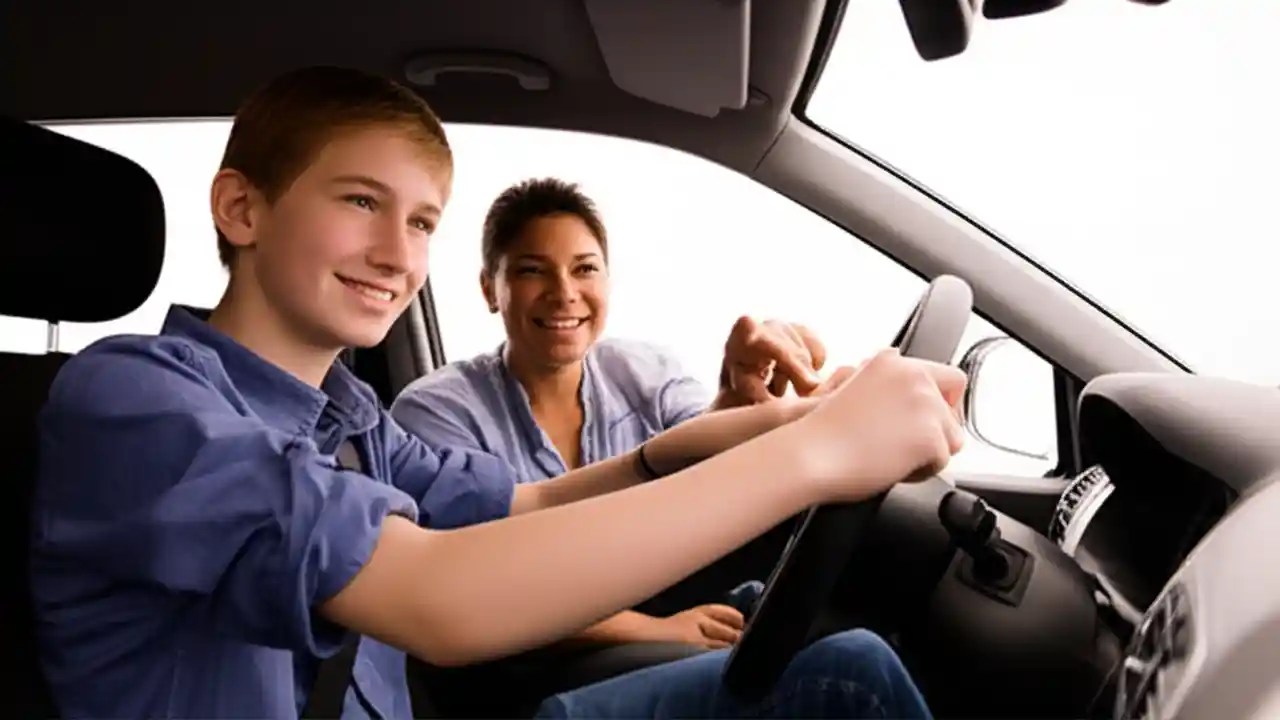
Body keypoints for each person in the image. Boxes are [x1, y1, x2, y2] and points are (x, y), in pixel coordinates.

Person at [30, 65, 963, 719]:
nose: (399, 255)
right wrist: (817, 459)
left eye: (424, 221)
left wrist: (793, 422)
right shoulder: (132, 403)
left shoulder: (355, 424)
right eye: (361, 202)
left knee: (846, 664)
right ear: (243, 210)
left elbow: (531, 501)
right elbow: (439, 600)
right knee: (843, 686)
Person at [391, 178, 829, 662]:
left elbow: (707, 446)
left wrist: (741, 392)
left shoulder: (643, 370)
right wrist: (652, 629)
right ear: (490, 289)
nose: (564, 293)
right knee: (848, 669)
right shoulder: (436, 412)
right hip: (529, 663)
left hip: (663, 611)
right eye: (533, 271)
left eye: (585, 270)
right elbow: (476, 584)